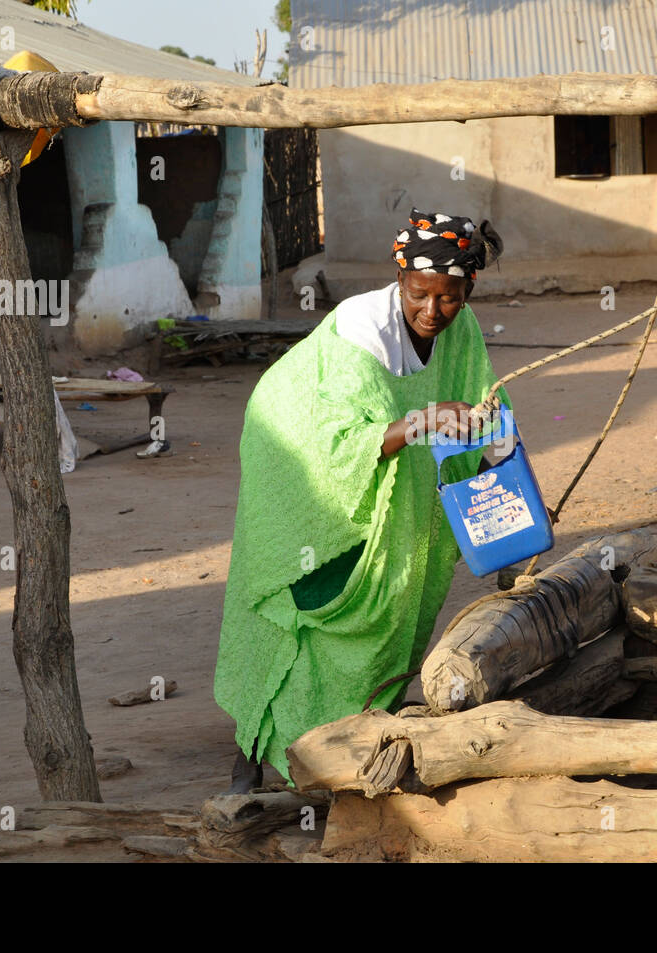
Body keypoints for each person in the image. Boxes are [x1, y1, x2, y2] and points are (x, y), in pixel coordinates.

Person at [214, 208, 509, 792]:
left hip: (386, 456)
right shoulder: (359, 330)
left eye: (448, 299)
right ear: (400, 280)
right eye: (420, 295)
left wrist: (513, 502)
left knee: (399, 589)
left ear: (467, 290)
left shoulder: (463, 330)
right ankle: (256, 750)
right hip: (300, 455)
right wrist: (424, 421)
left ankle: (350, 741)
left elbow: (485, 413)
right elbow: (348, 441)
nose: (432, 312)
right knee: (309, 600)